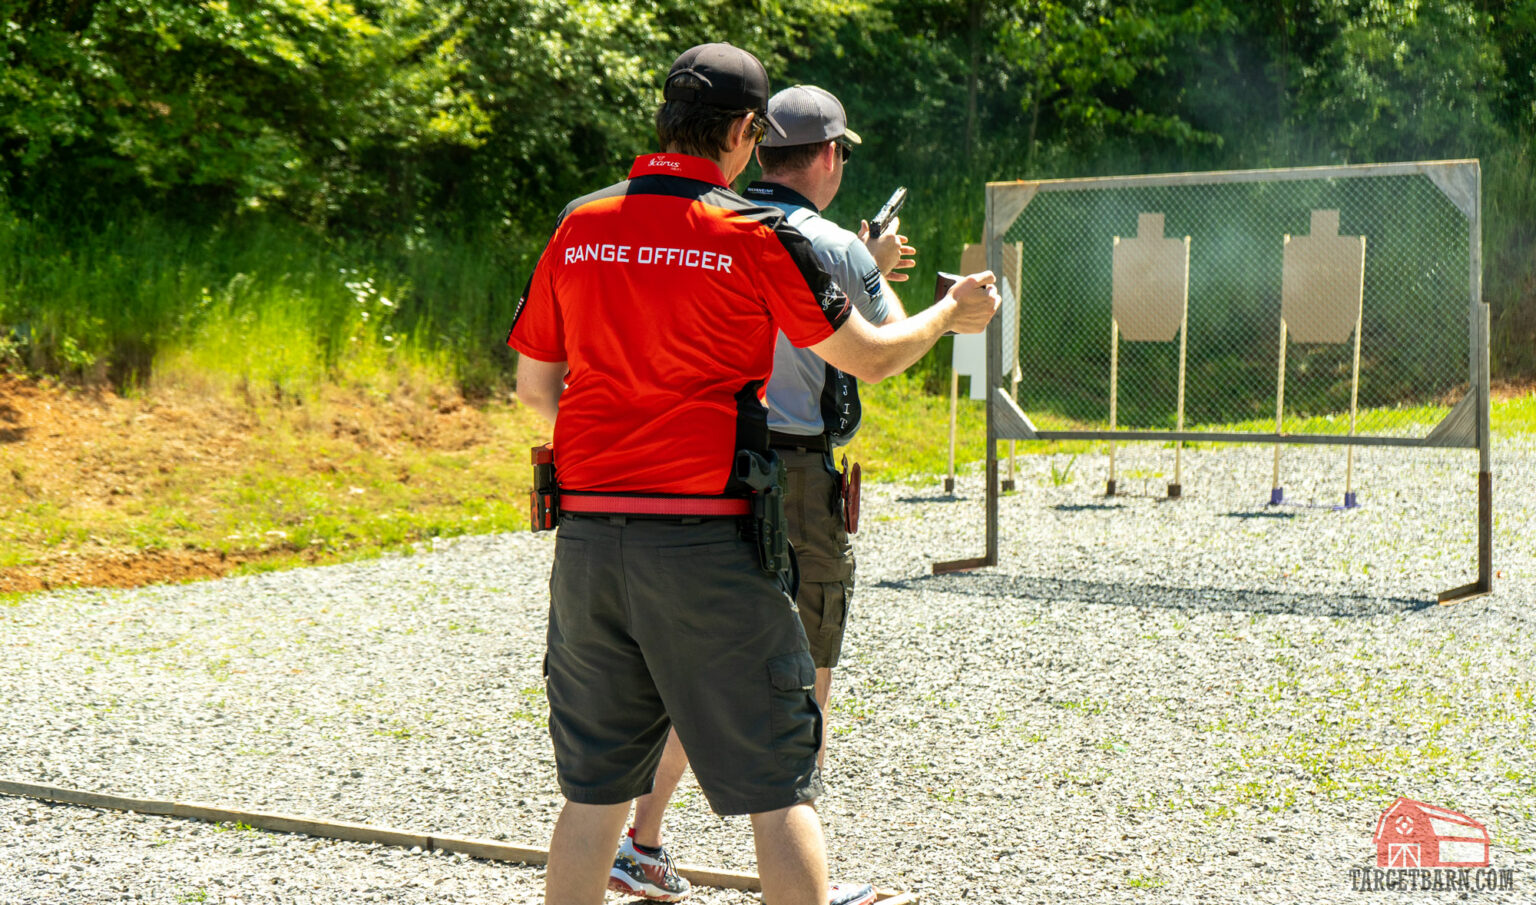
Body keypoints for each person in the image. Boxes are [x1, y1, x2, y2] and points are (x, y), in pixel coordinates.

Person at [509, 42, 999, 905]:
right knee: (780, 789)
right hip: (707, 541)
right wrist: (951, 313)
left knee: (591, 798)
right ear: (743, 132)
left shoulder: (580, 223)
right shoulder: (751, 234)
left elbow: (535, 387)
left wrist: (620, 441)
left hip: (587, 542)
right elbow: (873, 358)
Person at [613, 84, 919, 905]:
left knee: (704, 664)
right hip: (803, 475)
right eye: (842, 153)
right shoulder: (831, 244)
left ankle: (641, 841)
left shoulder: (720, 224)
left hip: (719, 466)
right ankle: (800, 872)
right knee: (808, 668)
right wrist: (886, 274)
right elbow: (886, 347)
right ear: (826, 156)